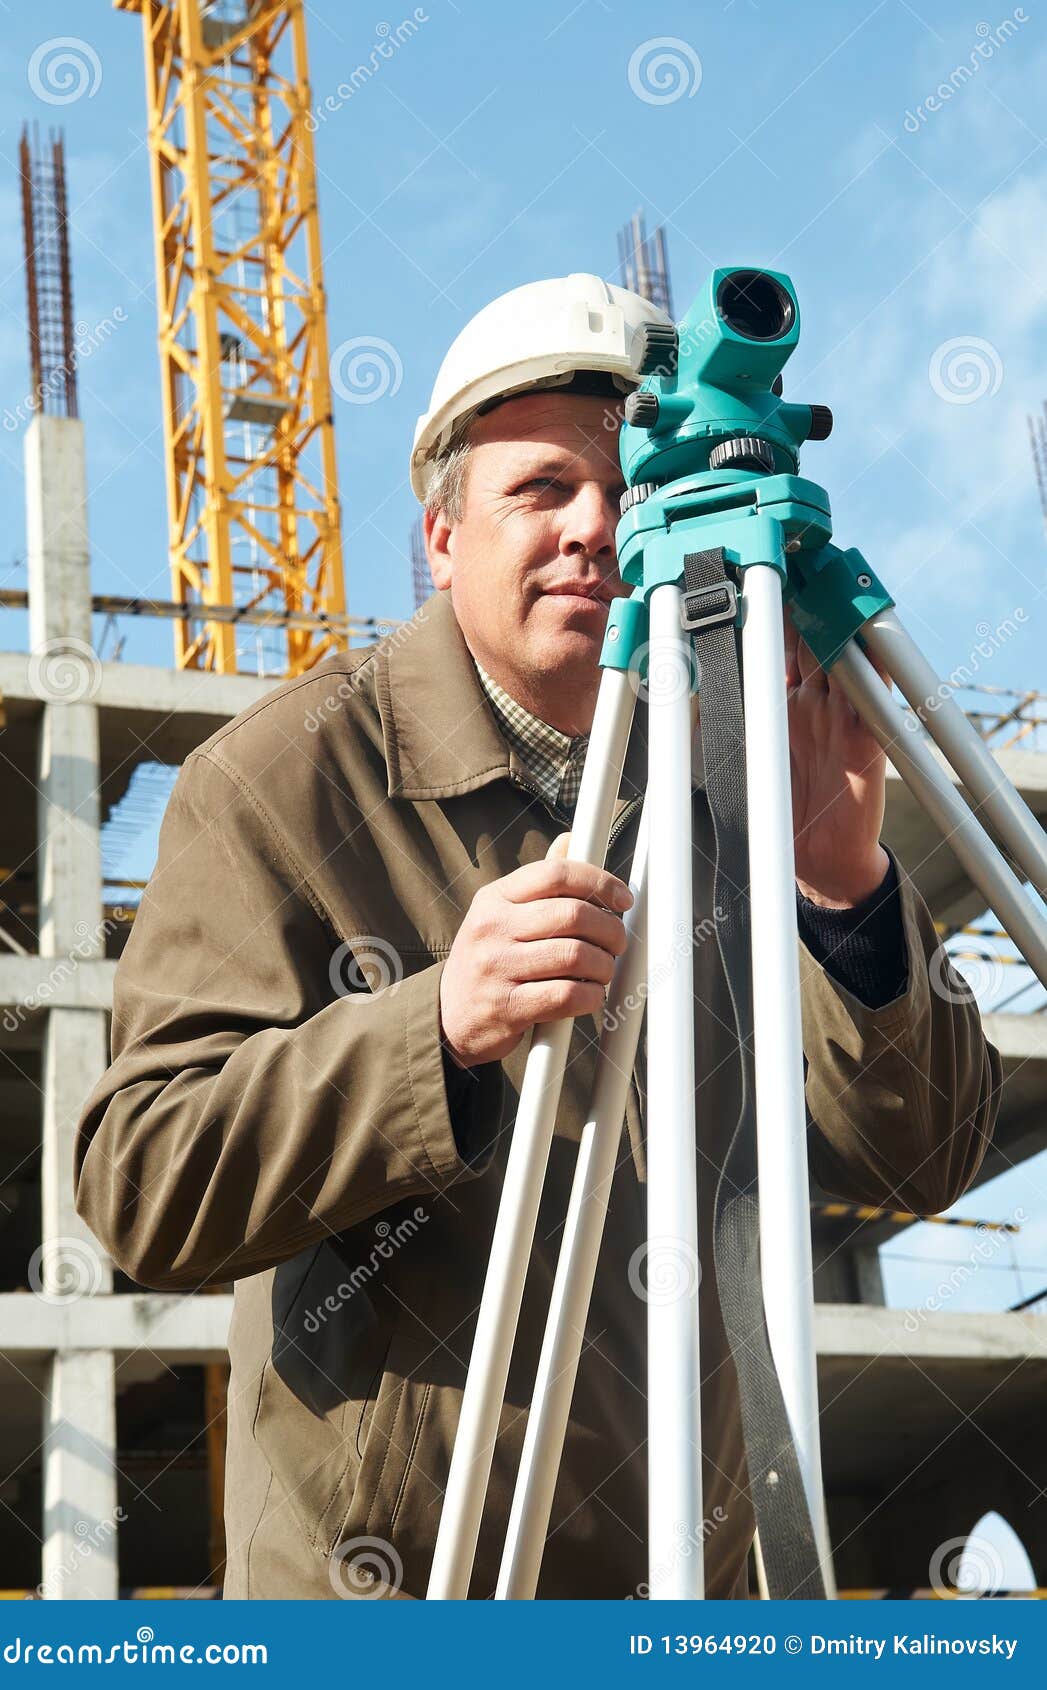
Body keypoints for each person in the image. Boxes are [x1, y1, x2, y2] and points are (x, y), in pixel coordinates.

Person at [75, 273, 1001, 1601]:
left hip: (682, 1606)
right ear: (442, 535)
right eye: (541, 490)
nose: (594, 529)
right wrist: (433, 1031)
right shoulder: (283, 781)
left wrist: (844, 883)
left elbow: (926, 1156)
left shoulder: (742, 770)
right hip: (388, 1610)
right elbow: (140, 1184)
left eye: (625, 490)